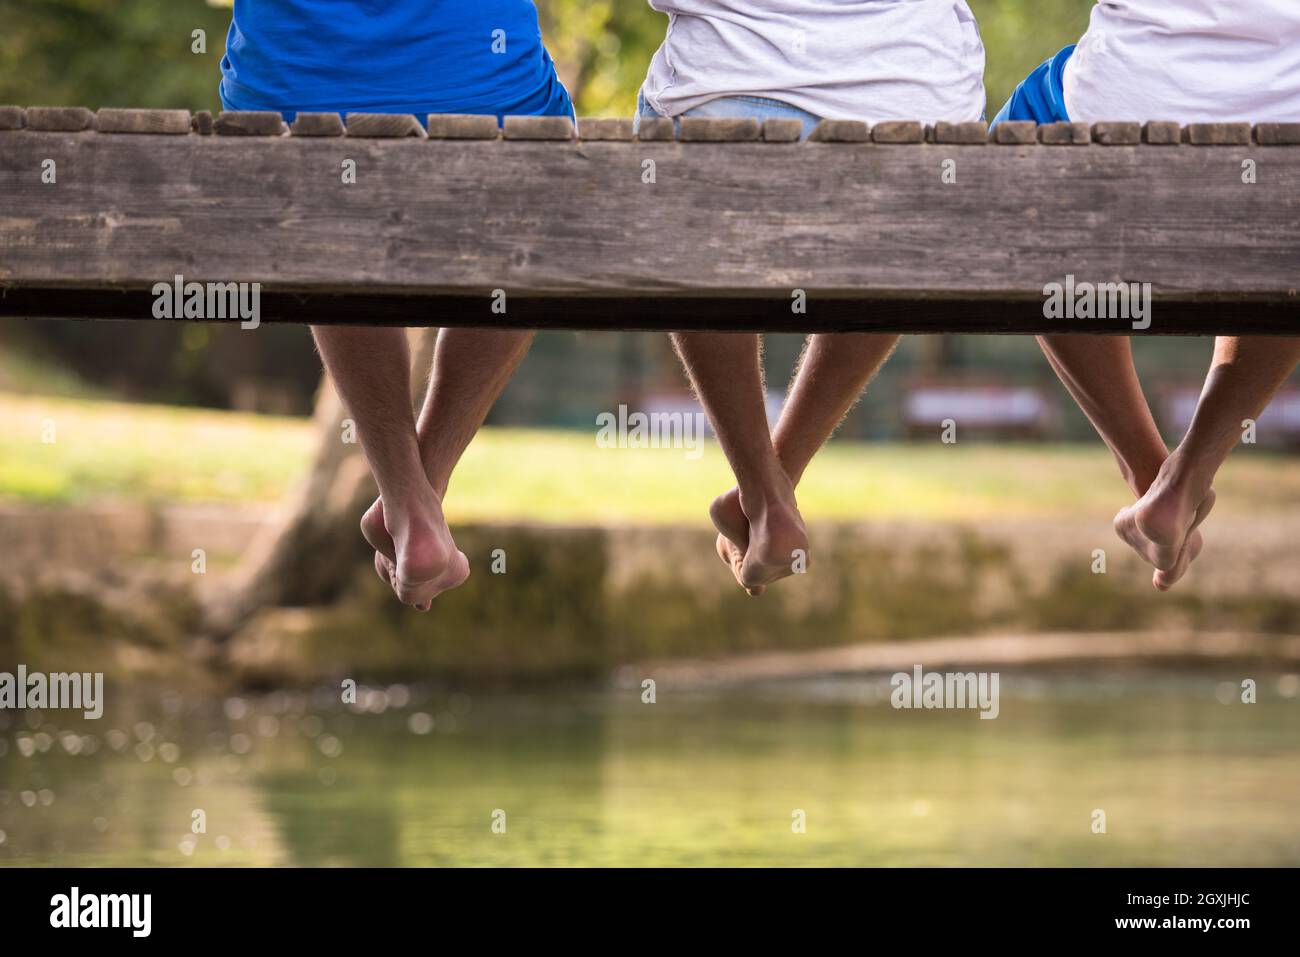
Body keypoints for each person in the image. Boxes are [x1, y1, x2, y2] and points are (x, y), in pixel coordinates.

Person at [219, 1, 575, 610]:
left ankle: (411, 501)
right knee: (542, 194)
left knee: (327, 214)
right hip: (483, 91)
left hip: (290, 95)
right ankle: (418, 495)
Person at [636, 0, 987, 594]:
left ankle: (766, 493)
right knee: (898, 239)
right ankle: (773, 487)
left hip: (731, 86)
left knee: (695, 216)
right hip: (920, 109)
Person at [993, 1, 1300, 590]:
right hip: (1283, 149)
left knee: (1019, 151)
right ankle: (1183, 479)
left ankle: (1146, 473)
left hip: (1122, 111)